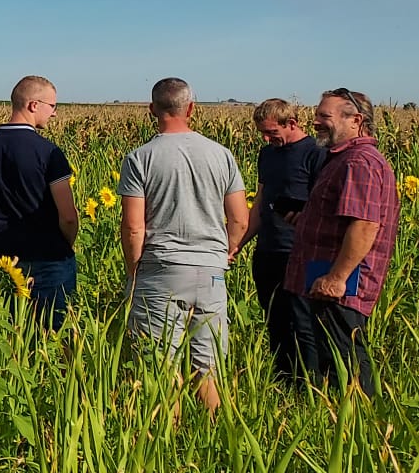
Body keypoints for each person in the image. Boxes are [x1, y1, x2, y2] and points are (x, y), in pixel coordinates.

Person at [118, 78, 249, 411]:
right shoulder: (222, 155)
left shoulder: (139, 158)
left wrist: (134, 270)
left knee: (161, 367)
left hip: (161, 269)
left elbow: (134, 226)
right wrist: (228, 250)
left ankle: (165, 448)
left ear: (152, 110)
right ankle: (216, 444)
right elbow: (240, 219)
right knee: (207, 369)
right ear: (192, 108)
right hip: (211, 272)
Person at [286, 88, 399, 395]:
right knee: (332, 358)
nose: (316, 122)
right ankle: (341, 425)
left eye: (325, 116)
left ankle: (357, 429)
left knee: (344, 361)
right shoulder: (343, 159)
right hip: (327, 273)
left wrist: (337, 277)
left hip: (341, 281)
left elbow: (364, 225)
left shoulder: (358, 162)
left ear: (356, 121)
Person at [0, 76, 80, 327]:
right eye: (53, 106)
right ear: (34, 105)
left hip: (0, 257)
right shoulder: (50, 153)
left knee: (5, 334)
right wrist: (64, 243)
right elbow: (68, 215)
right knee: (53, 339)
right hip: (49, 260)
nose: (55, 114)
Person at [235, 98, 325, 382]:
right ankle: (283, 381)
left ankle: (309, 386)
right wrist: (238, 243)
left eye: (272, 132)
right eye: (262, 132)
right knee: (275, 321)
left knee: (304, 323)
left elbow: (326, 205)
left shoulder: (316, 153)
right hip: (268, 249)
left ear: (292, 124)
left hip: (302, 253)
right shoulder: (267, 154)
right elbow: (261, 202)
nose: (266, 138)